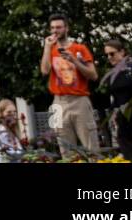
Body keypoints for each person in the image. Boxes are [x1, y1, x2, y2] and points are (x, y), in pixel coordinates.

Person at [39, 13, 99, 154]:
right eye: (52, 28)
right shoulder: (50, 50)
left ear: (67, 28)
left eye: (59, 27)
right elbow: (44, 71)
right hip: (58, 102)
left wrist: (75, 61)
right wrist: (47, 47)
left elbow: (94, 76)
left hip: (80, 101)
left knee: (91, 148)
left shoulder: (80, 49)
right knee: (65, 150)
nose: (55, 31)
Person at [102, 37, 132, 159]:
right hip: (123, 119)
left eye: (112, 53)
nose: (109, 57)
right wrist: (113, 113)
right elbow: (115, 98)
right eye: (107, 55)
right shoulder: (112, 74)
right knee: (128, 153)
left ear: (122, 52)